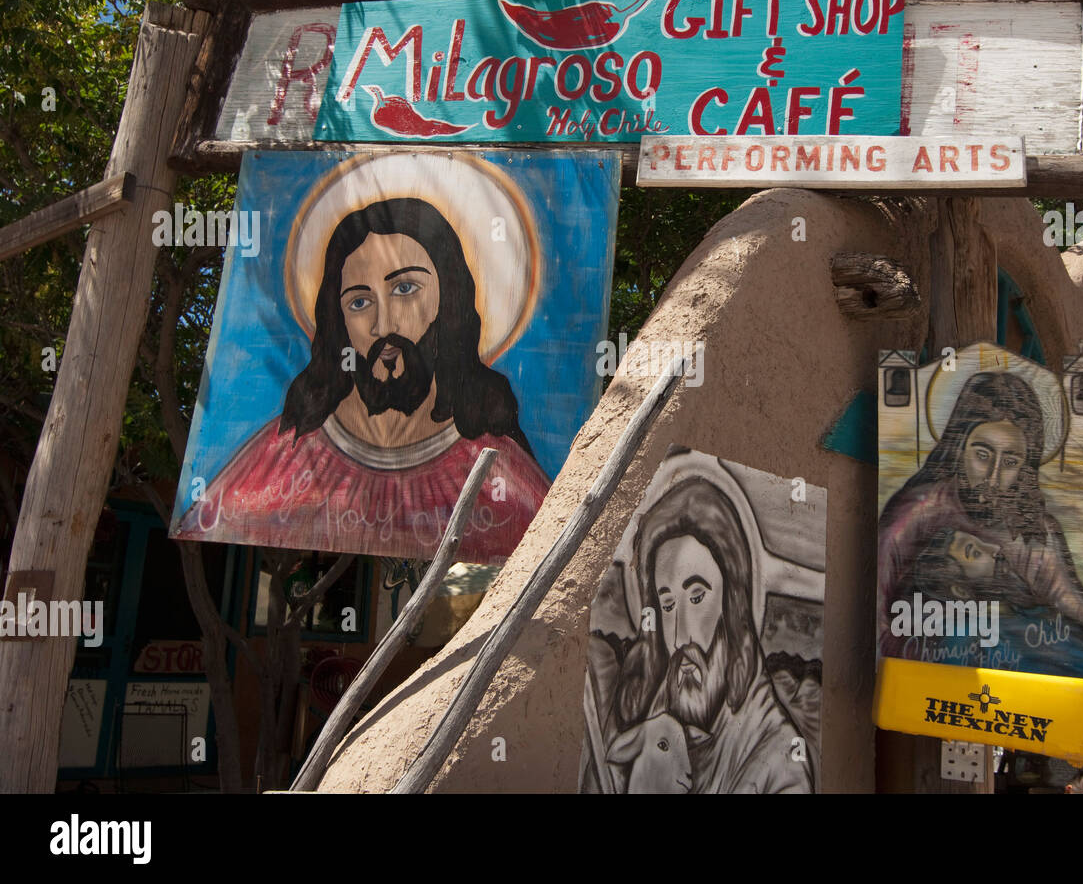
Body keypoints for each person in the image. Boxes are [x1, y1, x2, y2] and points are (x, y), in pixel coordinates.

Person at [175, 197, 550, 562]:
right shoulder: (284, 454)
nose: (383, 325)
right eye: (359, 302)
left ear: (447, 296)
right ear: (339, 321)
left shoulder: (501, 469)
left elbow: (550, 547)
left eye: (405, 289)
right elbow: (218, 515)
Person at [878, 371, 1083, 668]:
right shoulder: (917, 513)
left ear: (1026, 467)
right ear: (959, 447)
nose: (993, 477)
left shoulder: (1034, 533)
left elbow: (1075, 609)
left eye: (1011, 462)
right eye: (983, 455)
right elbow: (879, 618)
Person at [599, 476, 812, 794]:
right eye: (667, 605)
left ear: (733, 608)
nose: (679, 637)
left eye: (697, 598)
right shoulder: (642, 720)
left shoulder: (779, 763)